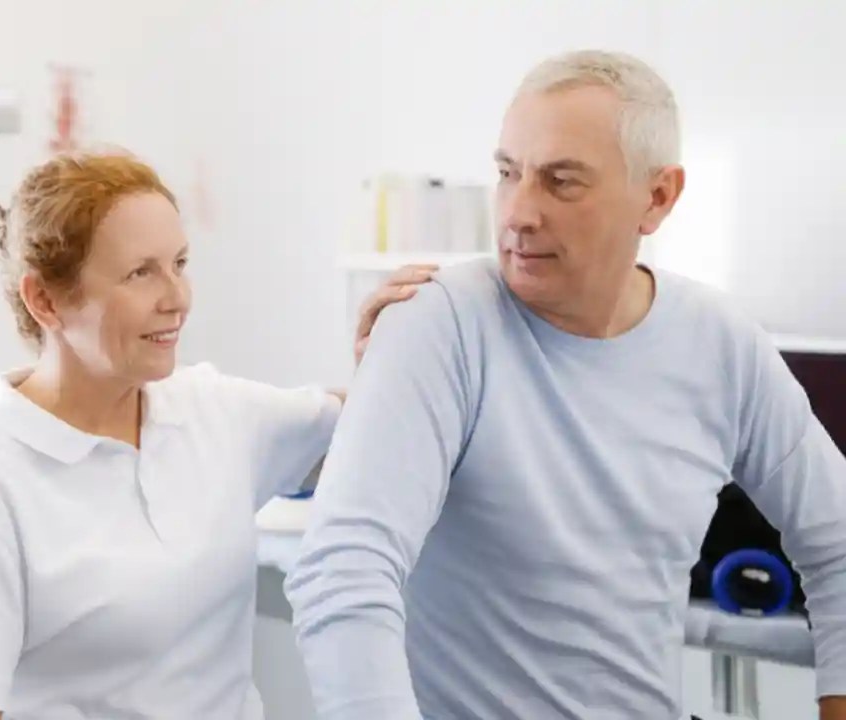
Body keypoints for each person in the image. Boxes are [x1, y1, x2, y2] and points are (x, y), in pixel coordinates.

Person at [285, 49, 846, 720]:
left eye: (562, 181)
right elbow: (344, 571)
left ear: (658, 197)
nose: (519, 212)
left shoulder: (721, 343)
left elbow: (837, 541)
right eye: (507, 173)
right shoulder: (438, 324)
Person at [0, 150, 433, 719]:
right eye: (140, 272)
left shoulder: (213, 410)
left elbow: (369, 427)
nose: (178, 298)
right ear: (44, 300)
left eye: (180, 262)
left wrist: (397, 350)